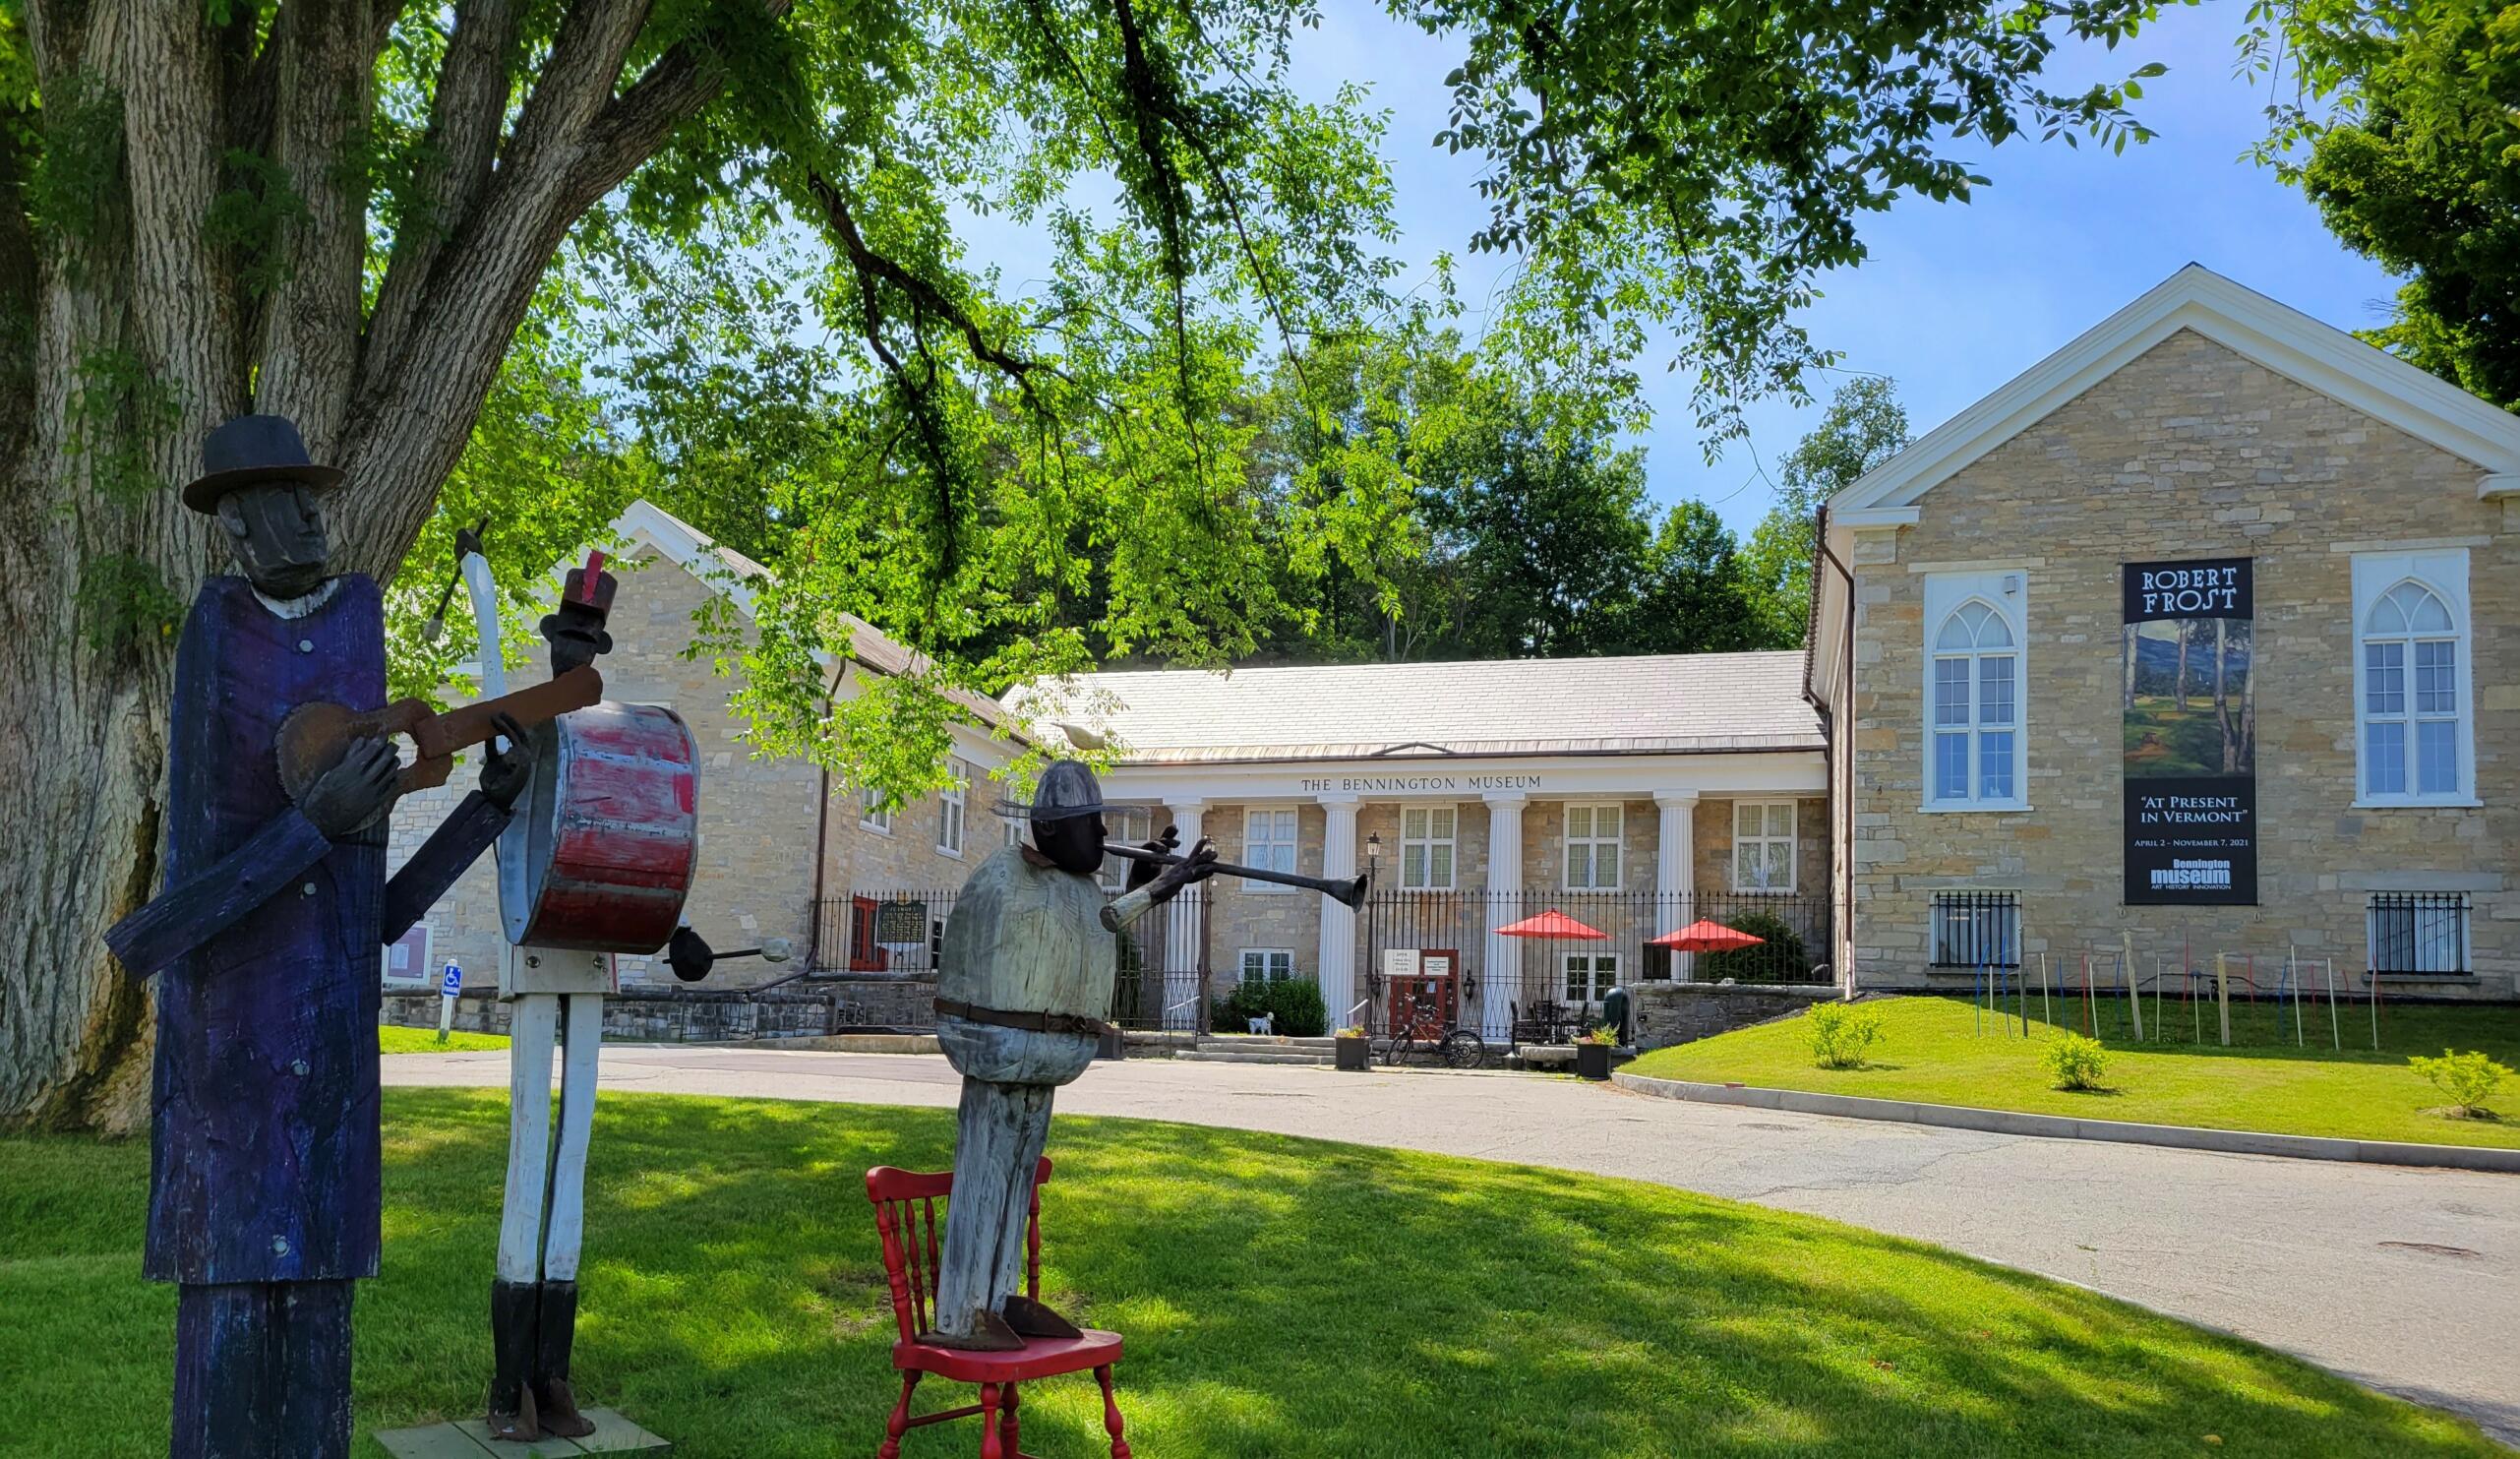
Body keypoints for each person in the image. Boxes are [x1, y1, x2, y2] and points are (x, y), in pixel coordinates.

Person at [105, 414, 526, 1459]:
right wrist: (311, 825)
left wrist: (488, 807)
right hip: (230, 1110)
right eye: (275, 501)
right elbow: (162, 931)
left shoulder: (357, 621)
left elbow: (366, 917)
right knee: (228, 1380)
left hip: (330, 1108)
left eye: (307, 495)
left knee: (315, 1395)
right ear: (234, 526)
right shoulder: (218, 632)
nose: (304, 517)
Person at [926, 760, 1216, 1349]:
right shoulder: (1006, 877)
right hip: (996, 1053)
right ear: (1052, 829)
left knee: (1017, 1181)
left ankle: (999, 1298)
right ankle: (960, 1311)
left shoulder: (1070, 885)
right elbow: (1078, 924)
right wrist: (1159, 887)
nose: (1103, 835)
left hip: (1044, 1057)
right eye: (1092, 823)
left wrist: (1139, 884)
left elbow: (1090, 926)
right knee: (984, 1179)